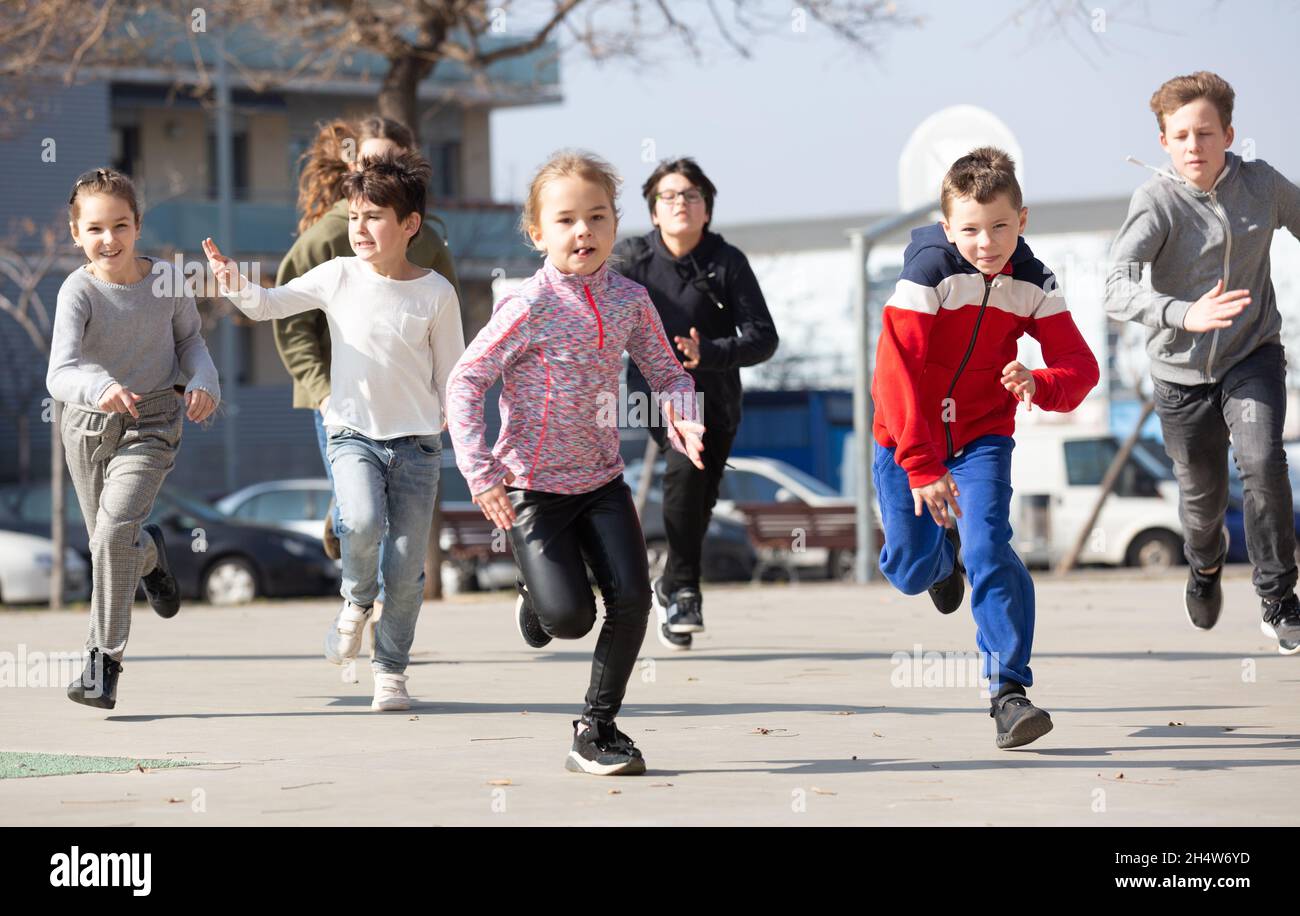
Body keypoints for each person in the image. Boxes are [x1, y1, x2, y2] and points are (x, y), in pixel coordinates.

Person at [445, 151, 705, 775]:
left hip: (602, 480)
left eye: (596, 217)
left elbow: (666, 371)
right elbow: (463, 381)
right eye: (565, 220)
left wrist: (682, 411)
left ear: (615, 225)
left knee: (634, 600)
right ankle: (539, 597)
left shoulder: (630, 300)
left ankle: (597, 727)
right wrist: (480, 473)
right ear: (538, 233)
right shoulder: (526, 305)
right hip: (530, 487)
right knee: (569, 619)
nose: (582, 231)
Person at [205, 151, 464, 711]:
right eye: (353, 217)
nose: (360, 228)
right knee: (362, 521)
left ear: (409, 225)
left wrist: (467, 441)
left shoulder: (437, 293)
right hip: (352, 433)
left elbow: (453, 376)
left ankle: (390, 674)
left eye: (373, 216)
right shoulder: (337, 274)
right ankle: (353, 602)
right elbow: (269, 307)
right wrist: (233, 283)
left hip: (418, 446)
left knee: (406, 568)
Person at [872, 148, 1099, 748]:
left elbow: (1081, 367)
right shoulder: (927, 271)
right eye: (970, 229)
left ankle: (1009, 693)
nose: (987, 242)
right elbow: (893, 372)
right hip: (908, 439)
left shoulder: (1033, 281)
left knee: (989, 546)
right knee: (908, 568)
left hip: (980, 438)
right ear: (948, 227)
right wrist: (920, 465)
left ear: (1021, 219)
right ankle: (940, 563)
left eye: (1000, 226)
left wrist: (1038, 382)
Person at [1105, 70, 1300, 654]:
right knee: (1202, 500)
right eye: (1182, 135)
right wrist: (1181, 313)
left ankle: (1278, 595)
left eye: (1206, 134)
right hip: (1179, 375)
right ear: (1165, 142)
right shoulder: (1157, 202)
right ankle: (1205, 567)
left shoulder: (1261, 186)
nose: (1195, 146)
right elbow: (1114, 288)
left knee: (1263, 460)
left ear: (1229, 135)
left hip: (1251, 354)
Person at [49, 167, 220, 709]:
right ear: (76, 234)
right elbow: (59, 372)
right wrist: (98, 387)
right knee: (116, 540)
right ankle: (151, 557)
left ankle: (103, 666)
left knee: (111, 532)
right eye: (95, 229)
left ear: (138, 226)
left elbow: (190, 340)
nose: (109, 240)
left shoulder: (167, 280)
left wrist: (204, 378)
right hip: (87, 425)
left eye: (120, 226)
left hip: (152, 420)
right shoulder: (77, 290)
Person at [274, 116, 461, 560]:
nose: (380, 171)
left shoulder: (430, 241)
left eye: (391, 162)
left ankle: (348, 519)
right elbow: (290, 322)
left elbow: (448, 329)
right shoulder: (326, 237)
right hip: (340, 401)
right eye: (369, 161)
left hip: (407, 404)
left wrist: (447, 397)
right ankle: (364, 599)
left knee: (393, 522)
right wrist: (321, 392)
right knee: (366, 518)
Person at [612, 157, 778, 650]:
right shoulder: (632, 259)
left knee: (700, 493)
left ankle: (671, 583)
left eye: (691, 195)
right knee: (686, 465)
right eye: (669, 196)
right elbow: (590, 303)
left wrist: (711, 352)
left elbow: (763, 338)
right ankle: (684, 589)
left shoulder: (726, 262)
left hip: (717, 398)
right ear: (653, 211)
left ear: (706, 209)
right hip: (654, 392)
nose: (680, 203)